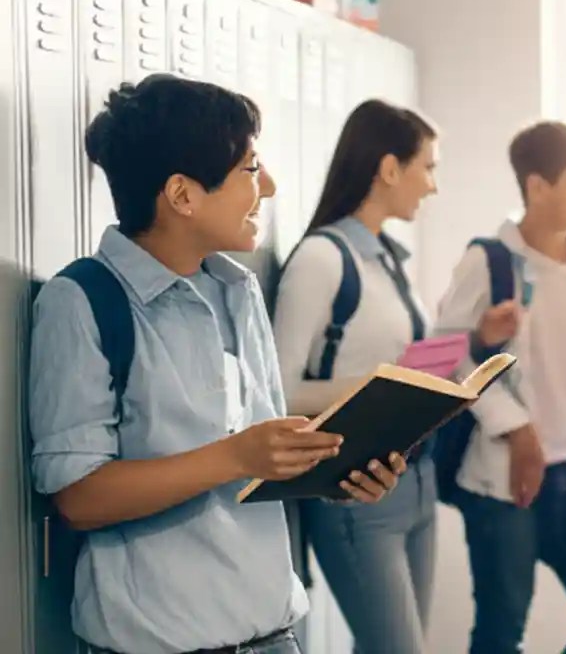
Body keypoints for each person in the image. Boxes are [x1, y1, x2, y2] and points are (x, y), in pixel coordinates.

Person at [27, 74, 401, 654]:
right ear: (182, 195)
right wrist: (236, 455)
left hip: (274, 636)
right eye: (252, 169)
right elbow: (78, 498)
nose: (270, 187)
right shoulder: (81, 301)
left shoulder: (239, 290)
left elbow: (254, 464)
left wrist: (337, 477)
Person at [435, 121, 566, 654]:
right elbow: (448, 358)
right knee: (500, 635)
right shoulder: (488, 261)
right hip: (504, 482)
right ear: (537, 187)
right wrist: (516, 428)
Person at [272, 99, 448, 653]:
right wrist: (378, 385)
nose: (433, 186)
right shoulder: (323, 259)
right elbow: (276, 390)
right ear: (389, 168)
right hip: (353, 492)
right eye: (428, 167)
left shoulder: (388, 257)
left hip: (415, 481)